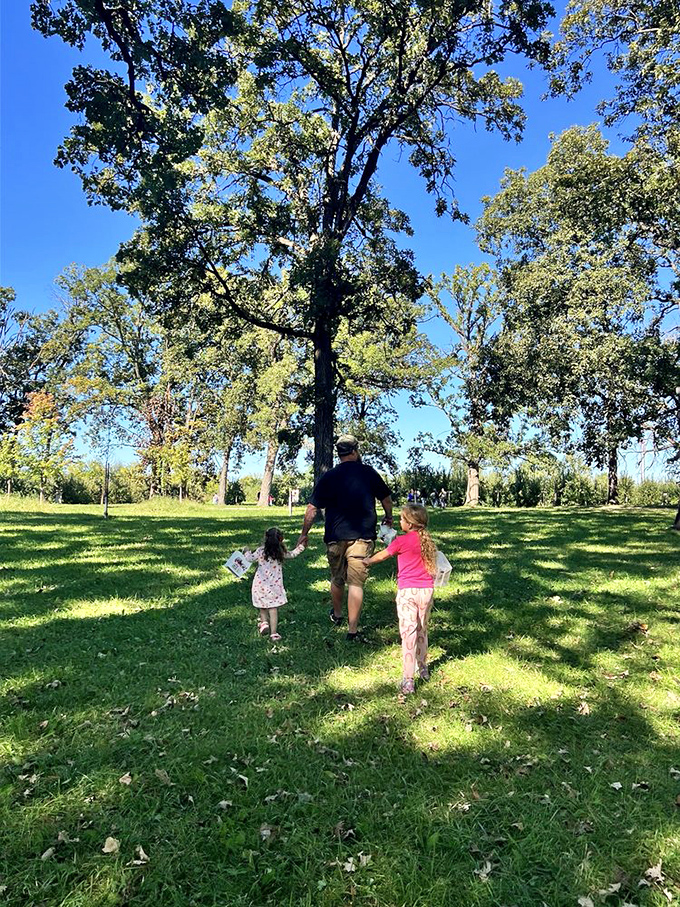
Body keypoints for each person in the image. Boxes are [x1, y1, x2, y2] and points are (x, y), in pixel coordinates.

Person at [297, 434, 393, 640]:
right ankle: (352, 630)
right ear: (355, 451)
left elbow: (312, 508)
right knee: (356, 583)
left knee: (337, 578)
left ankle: (338, 614)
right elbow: (386, 498)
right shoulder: (368, 473)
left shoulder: (329, 476)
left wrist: (303, 534)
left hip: (335, 536)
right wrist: (389, 517)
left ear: (339, 453)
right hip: (363, 536)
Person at [362, 503, 437, 694]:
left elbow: (382, 556)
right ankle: (423, 668)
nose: (400, 522)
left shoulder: (401, 541)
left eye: (402, 519)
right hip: (426, 591)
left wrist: (368, 560)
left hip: (407, 593)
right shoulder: (427, 541)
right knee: (422, 630)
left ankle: (408, 680)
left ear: (410, 524)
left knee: (408, 634)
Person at [242, 527, 305, 641]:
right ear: (281, 540)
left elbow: (249, 559)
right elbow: (292, 554)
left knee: (262, 605)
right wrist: (301, 547)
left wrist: (246, 550)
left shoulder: (261, 551)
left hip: (260, 584)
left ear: (266, 538)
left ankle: (264, 622)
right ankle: (274, 633)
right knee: (273, 608)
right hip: (275, 587)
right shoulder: (280, 552)